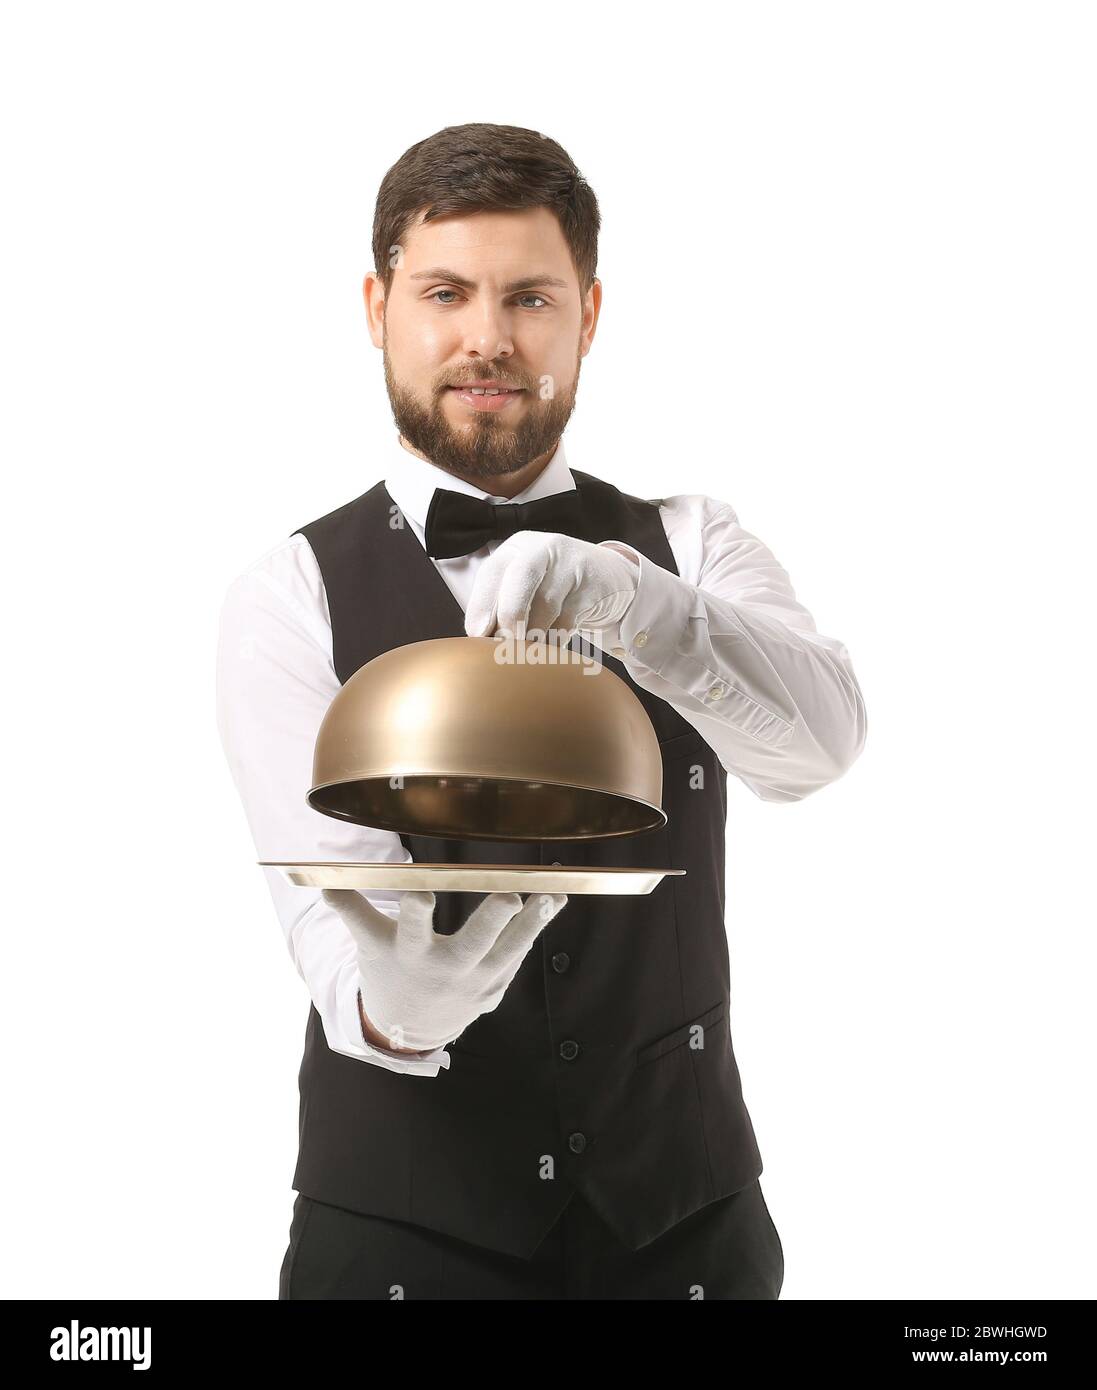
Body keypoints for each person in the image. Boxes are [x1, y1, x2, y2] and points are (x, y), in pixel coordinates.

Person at [216, 122, 868, 1300]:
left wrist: (639, 607)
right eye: (444, 293)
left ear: (588, 313)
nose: (486, 338)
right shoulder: (288, 593)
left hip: (684, 1229)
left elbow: (818, 746)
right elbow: (329, 915)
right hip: (404, 1240)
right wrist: (400, 1011)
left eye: (528, 297)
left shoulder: (690, 541)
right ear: (377, 308)